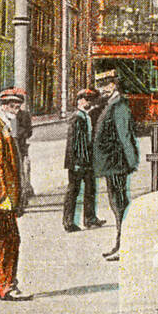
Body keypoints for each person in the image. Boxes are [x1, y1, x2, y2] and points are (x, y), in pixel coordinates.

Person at [0, 88, 32, 301]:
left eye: (18, 106)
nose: (16, 110)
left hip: (5, 195)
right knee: (9, 240)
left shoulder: (4, 125)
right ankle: (7, 286)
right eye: (13, 106)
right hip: (3, 197)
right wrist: (3, 197)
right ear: (3, 105)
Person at [92, 70, 139, 261]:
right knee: (117, 205)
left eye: (104, 85)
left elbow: (125, 137)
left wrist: (131, 161)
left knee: (120, 206)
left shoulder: (119, 106)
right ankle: (120, 245)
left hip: (117, 164)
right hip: (112, 165)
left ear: (113, 86)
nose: (101, 90)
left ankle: (124, 246)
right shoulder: (111, 104)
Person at [62, 89, 106, 232]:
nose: (89, 103)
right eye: (86, 100)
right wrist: (76, 162)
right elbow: (73, 144)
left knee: (90, 189)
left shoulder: (86, 117)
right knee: (73, 191)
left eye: (90, 100)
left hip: (87, 160)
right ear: (79, 101)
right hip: (78, 162)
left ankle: (90, 218)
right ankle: (68, 222)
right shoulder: (76, 118)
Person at [12, 89, 35, 206]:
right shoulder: (10, 116)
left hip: (21, 147)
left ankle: (23, 196)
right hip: (14, 147)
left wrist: (21, 133)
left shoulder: (24, 115)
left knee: (22, 171)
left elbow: (29, 132)